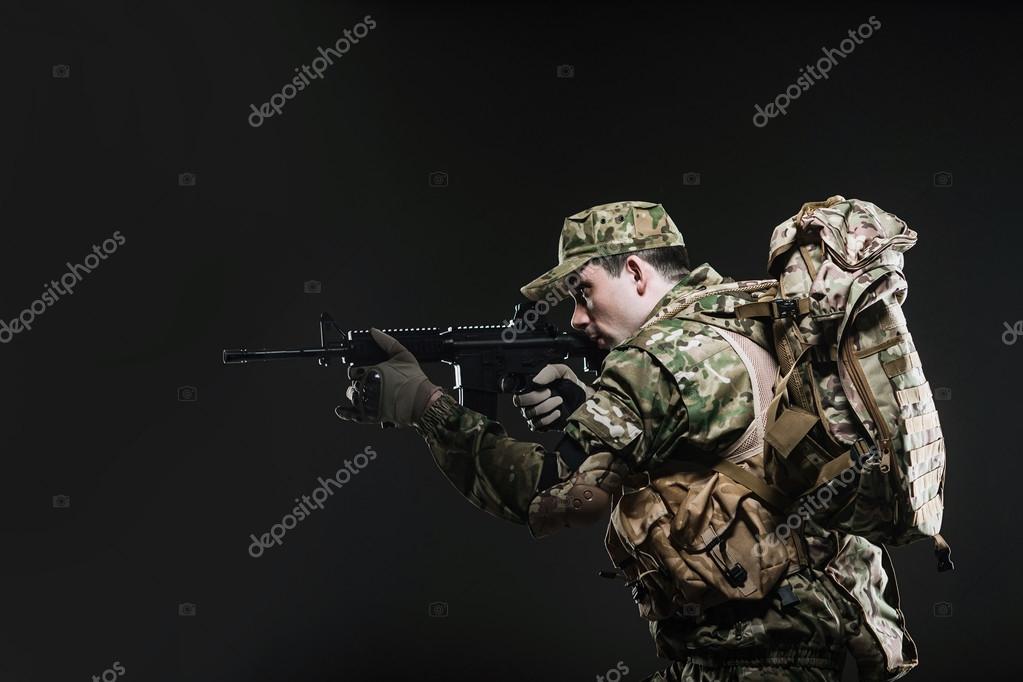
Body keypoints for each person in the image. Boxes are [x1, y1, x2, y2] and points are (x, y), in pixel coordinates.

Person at [335, 201, 917, 681]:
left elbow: (551, 496)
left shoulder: (655, 360)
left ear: (636, 273)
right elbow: (714, 449)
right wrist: (590, 410)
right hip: (826, 629)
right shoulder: (738, 319)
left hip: (754, 653)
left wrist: (425, 407)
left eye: (585, 292)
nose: (577, 321)